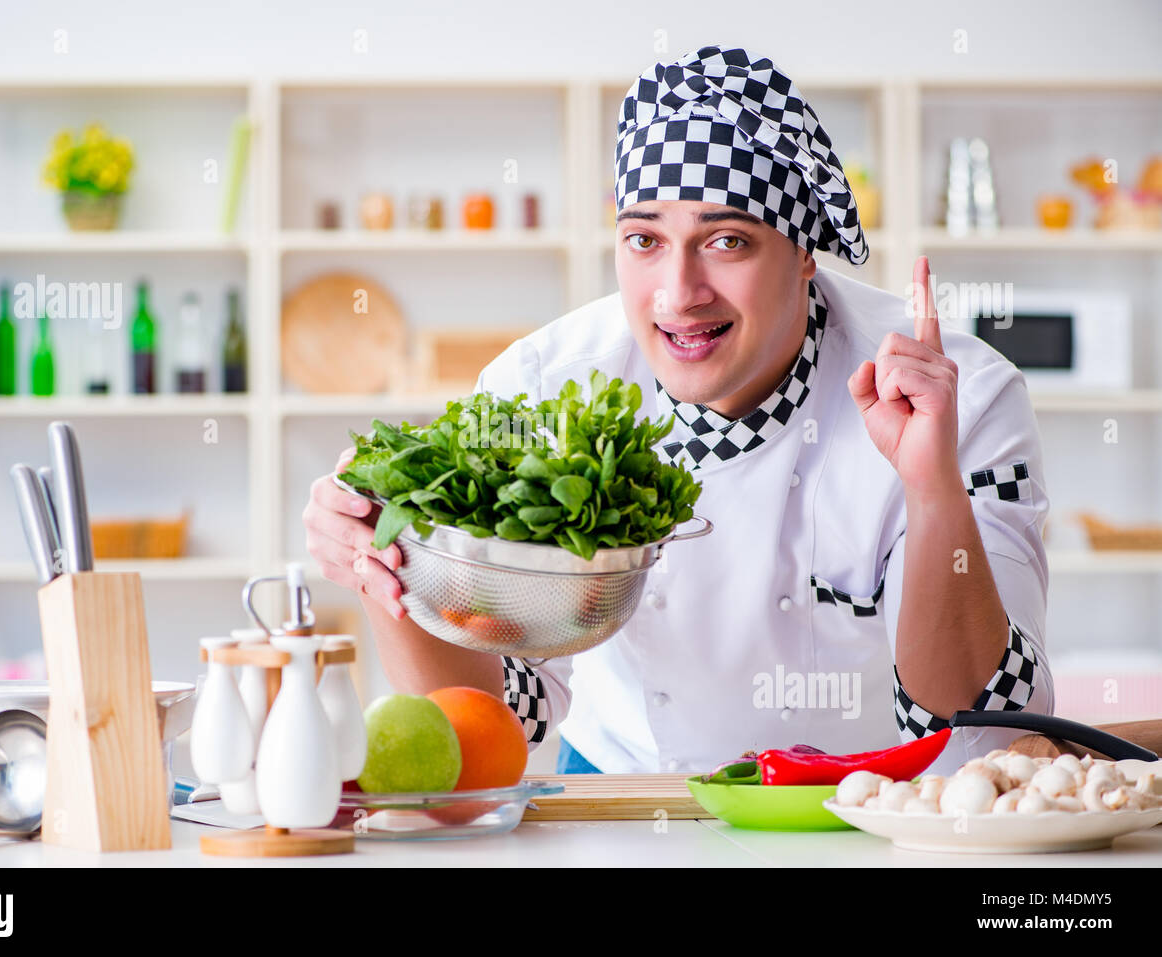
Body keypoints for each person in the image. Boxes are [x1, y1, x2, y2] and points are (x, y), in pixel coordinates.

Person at [302, 44, 1052, 776]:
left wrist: (932, 490)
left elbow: (978, 722)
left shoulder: (962, 398)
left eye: (727, 240)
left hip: (870, 807)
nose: (678, 293)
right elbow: (494, 723)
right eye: (645, 240)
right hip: (625, 794)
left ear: (804, 253)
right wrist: (393, 565)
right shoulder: (539, 390)